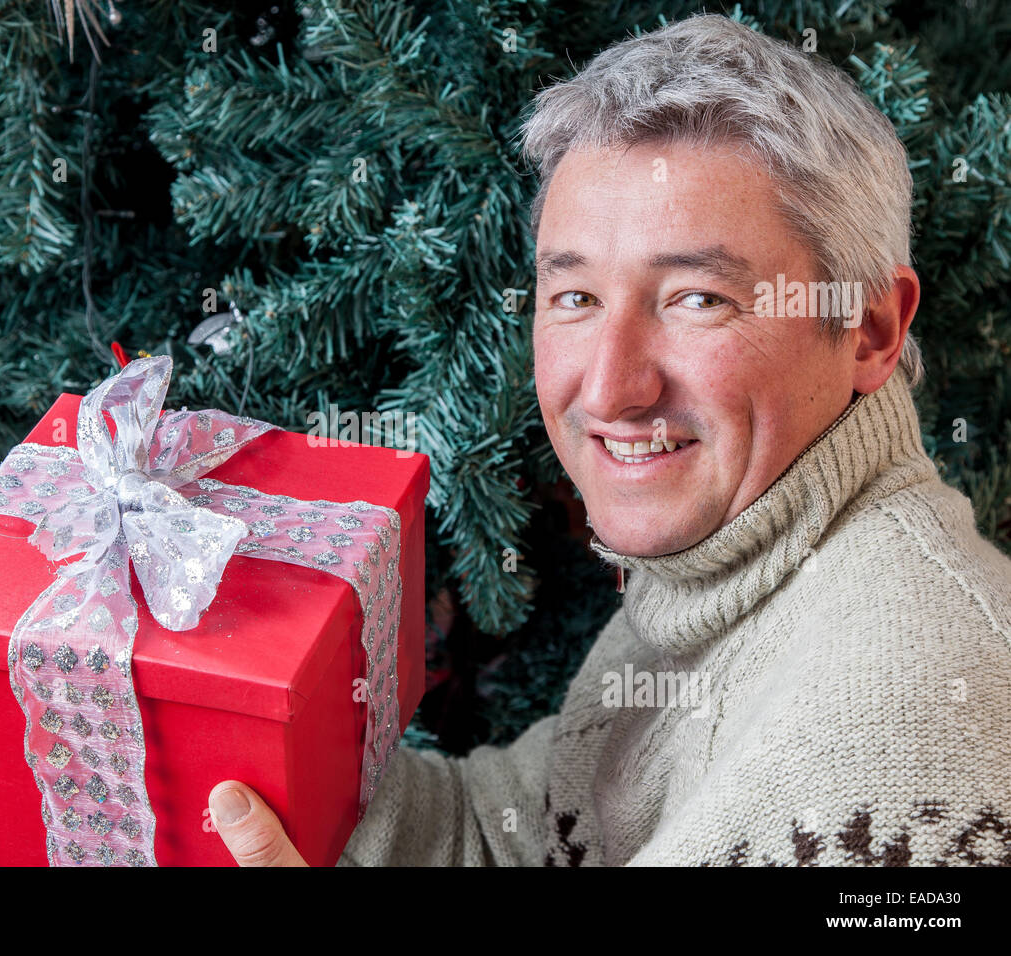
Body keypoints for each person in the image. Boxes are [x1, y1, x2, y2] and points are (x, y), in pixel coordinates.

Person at [206, 13, 1011, 867]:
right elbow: (517, 838)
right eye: (577, 298)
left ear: (869, 328)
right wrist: (244, 747)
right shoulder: (729, 567)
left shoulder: (905, 737)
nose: (608, 388)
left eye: (698, 298)